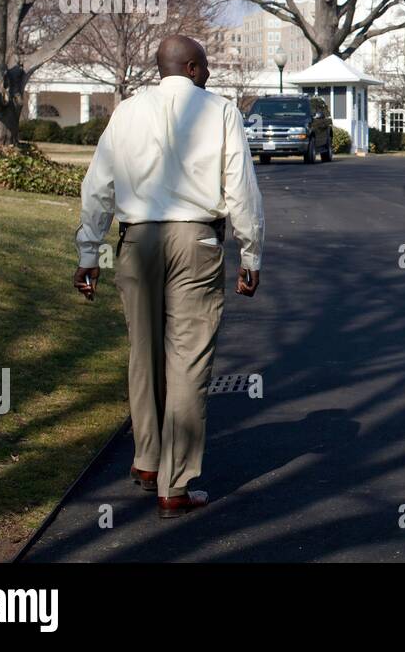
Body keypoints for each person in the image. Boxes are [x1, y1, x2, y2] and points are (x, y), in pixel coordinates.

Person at [73, 35, 265, 517]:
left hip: (137, 242)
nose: (210, 73)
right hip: (196, 241)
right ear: (194, 67)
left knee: (143, 353)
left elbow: (98, 186)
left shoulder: (126, 111)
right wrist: (251, 253)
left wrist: (89, 252)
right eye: (208, 66)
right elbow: (240, 186)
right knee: (188, 361)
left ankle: (145, 460)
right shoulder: (220, 111)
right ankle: (174, 487)